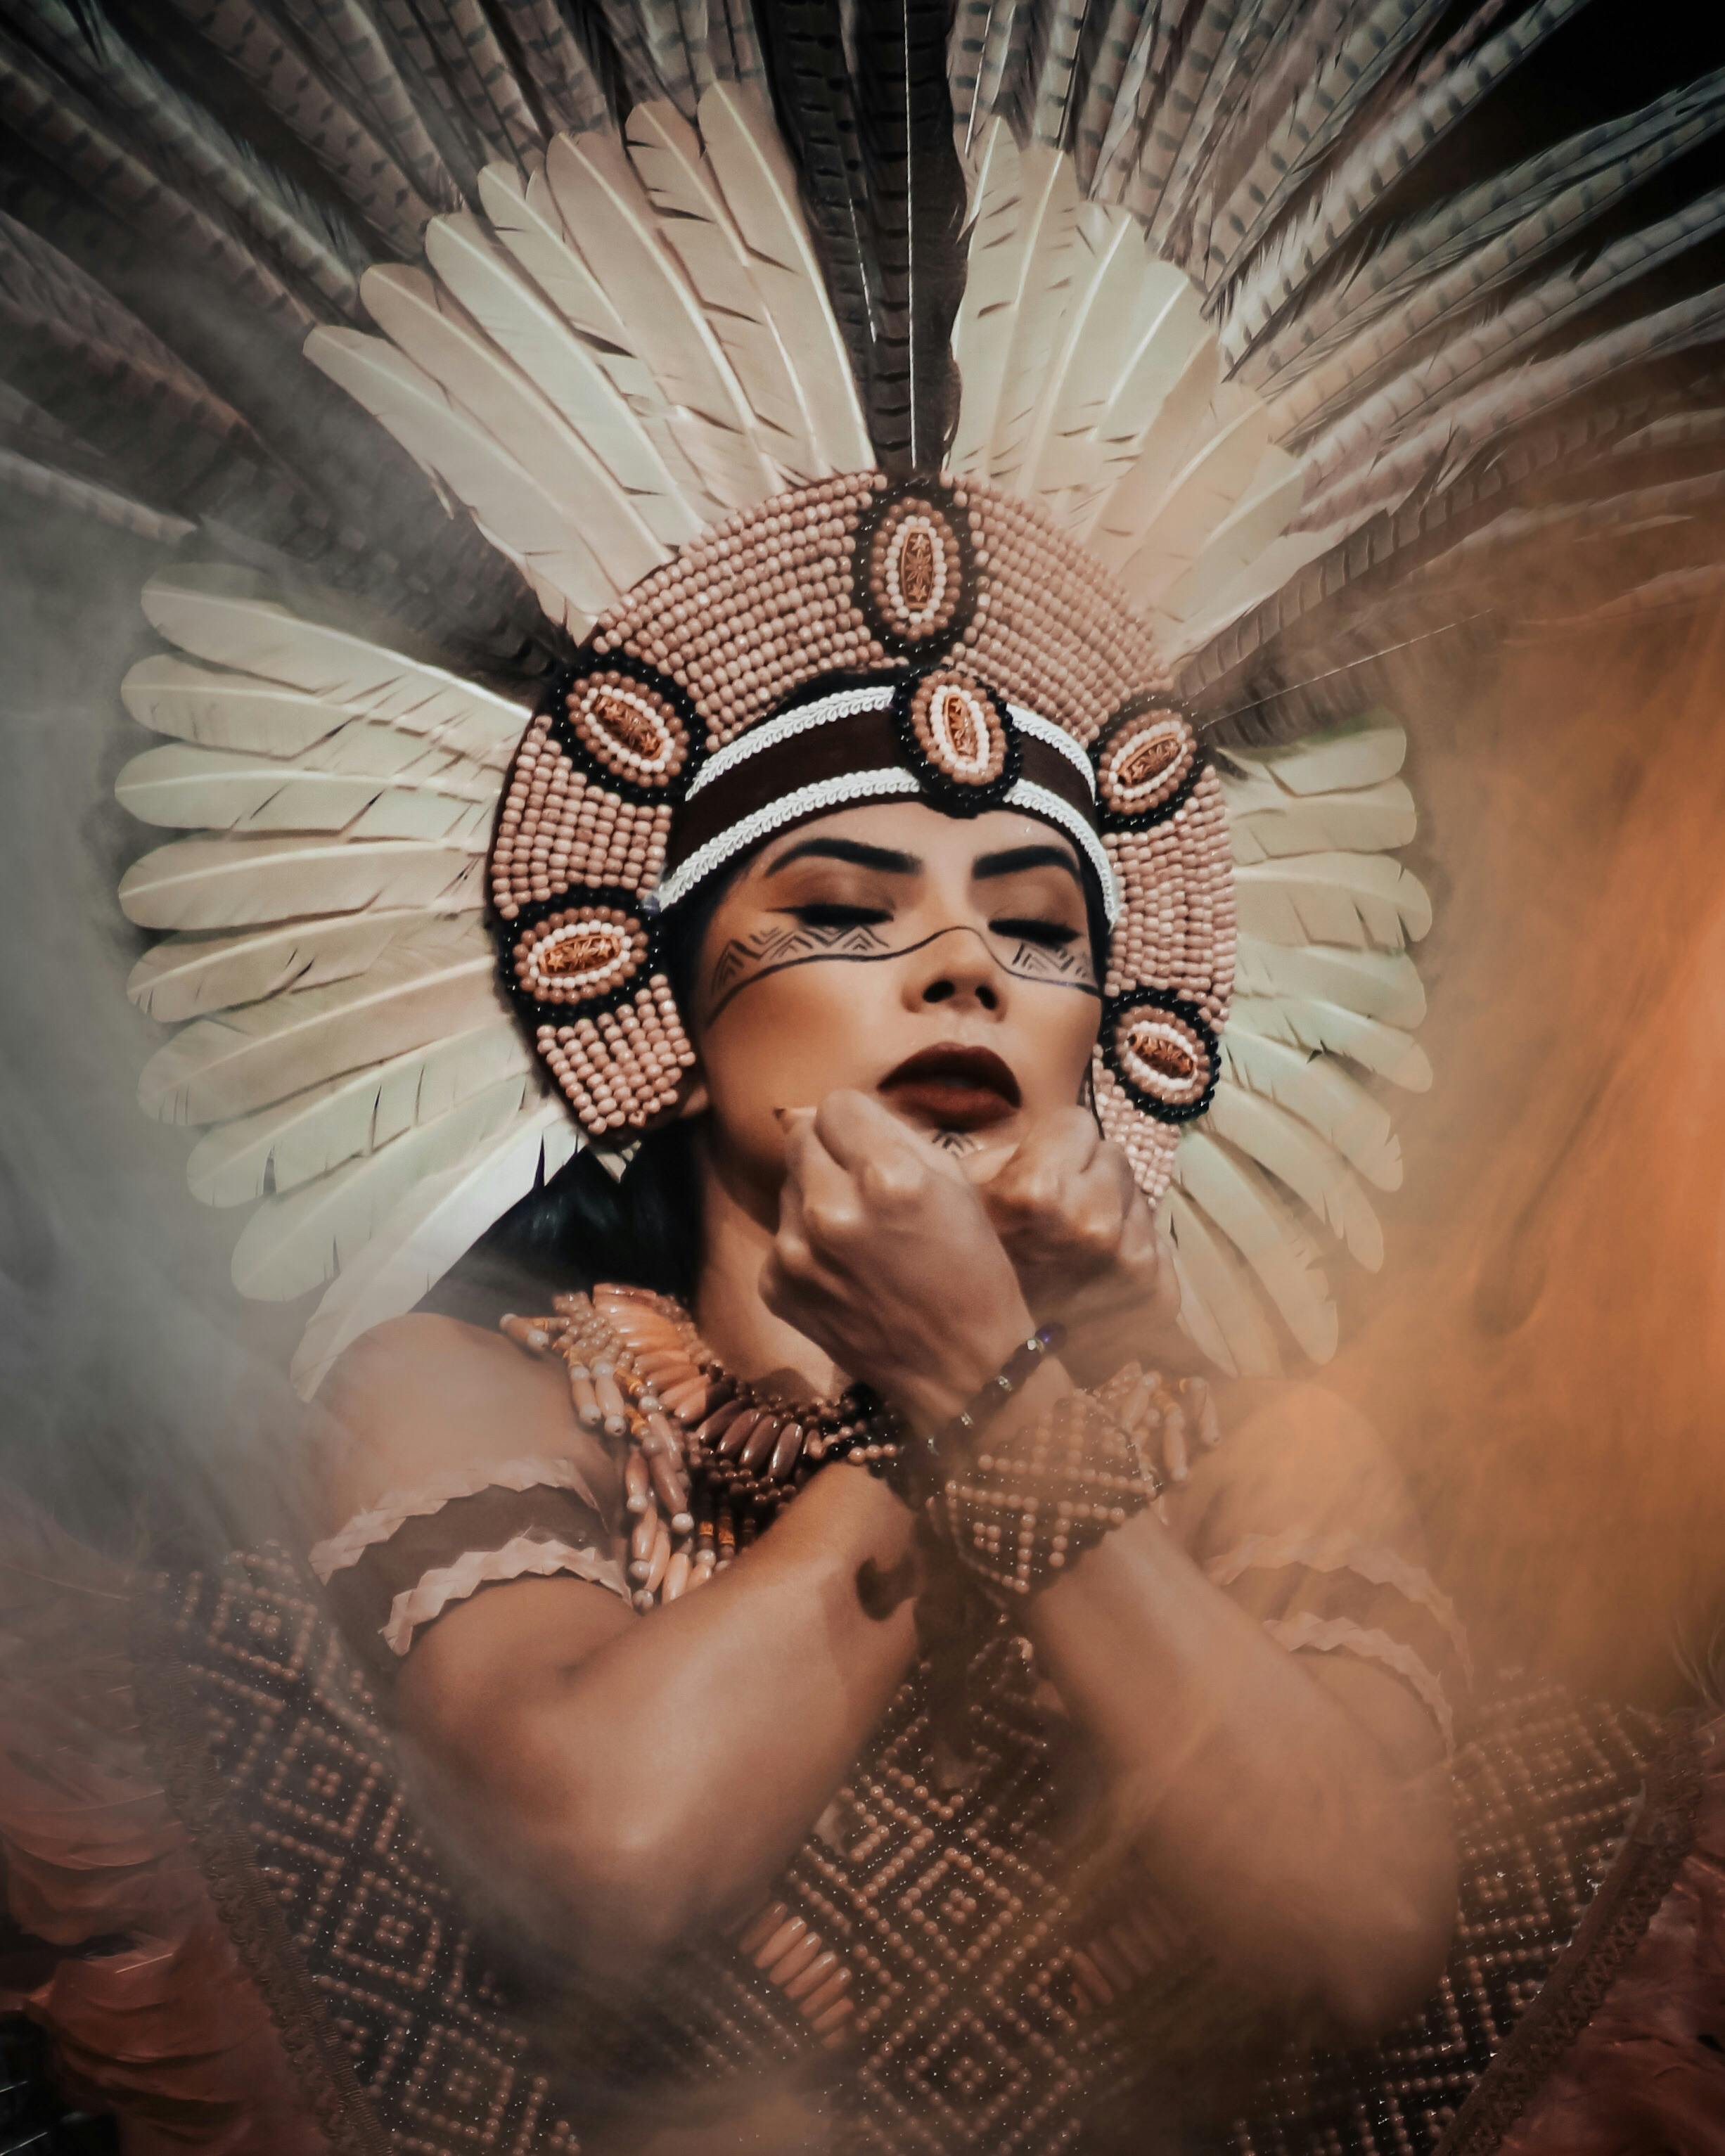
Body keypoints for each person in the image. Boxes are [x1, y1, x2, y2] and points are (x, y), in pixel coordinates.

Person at [305, 776, 1463, 2152]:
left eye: (1038, 936)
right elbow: (603, 1858)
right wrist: (959, 1390)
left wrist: (993, 1382)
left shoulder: (1256, 1455)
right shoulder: (466, 1394)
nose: (968, 969)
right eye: (847, 912)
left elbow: (1361, 1935)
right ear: (669, 1021)